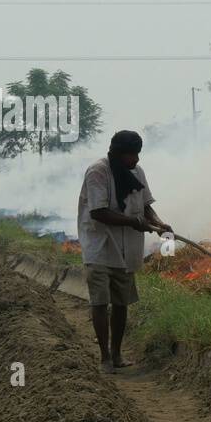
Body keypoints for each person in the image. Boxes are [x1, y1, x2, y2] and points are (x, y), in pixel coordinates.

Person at [77, 130, 171, 374]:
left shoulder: (136, 173)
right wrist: (134, 223)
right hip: (99, 245)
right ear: (119, 154)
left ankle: (118, 354)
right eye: (132, 155)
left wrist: (159, 224)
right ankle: (105, 357)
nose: (137, 160)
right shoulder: (98, 171)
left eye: (138, 154)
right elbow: (98, 212)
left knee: (121, 303)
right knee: (100, 301)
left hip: (126, 248)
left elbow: (146, 204)